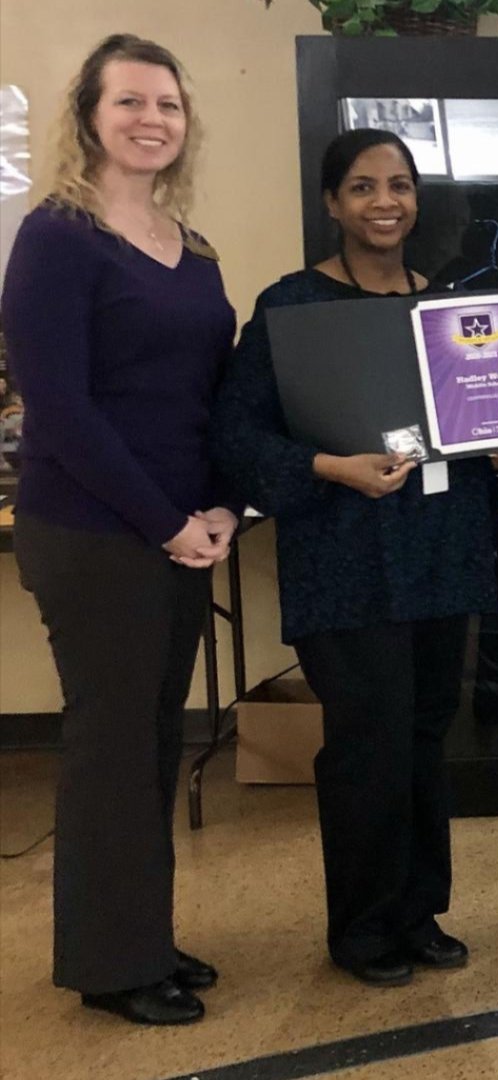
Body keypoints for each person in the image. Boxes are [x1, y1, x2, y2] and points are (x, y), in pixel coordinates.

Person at [212, 128, 498, 987]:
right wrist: (326, 467)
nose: (384, 202)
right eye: (362, 187)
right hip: (342, 560)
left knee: (427, 737)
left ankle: (419, 911)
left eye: (399, 185)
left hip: (439, 553)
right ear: (332, 203)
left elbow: (468, 432)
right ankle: (361, 929)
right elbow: (235, 439)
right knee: (366, 743)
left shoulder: (452, 313)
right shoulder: (288, 307)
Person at [0, 34, 235, 1026]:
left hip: (183, 526)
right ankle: (110, 962)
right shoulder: (59, 235)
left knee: (150, 739)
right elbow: (57, 405)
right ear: (90, 114)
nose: (152, 119)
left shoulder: (194, 246)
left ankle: (143, 935)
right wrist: (165, 521)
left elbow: (212, 394)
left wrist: (222, 507)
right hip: (96, 529)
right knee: (111, 740)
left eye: (168, 105)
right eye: (131, 101)